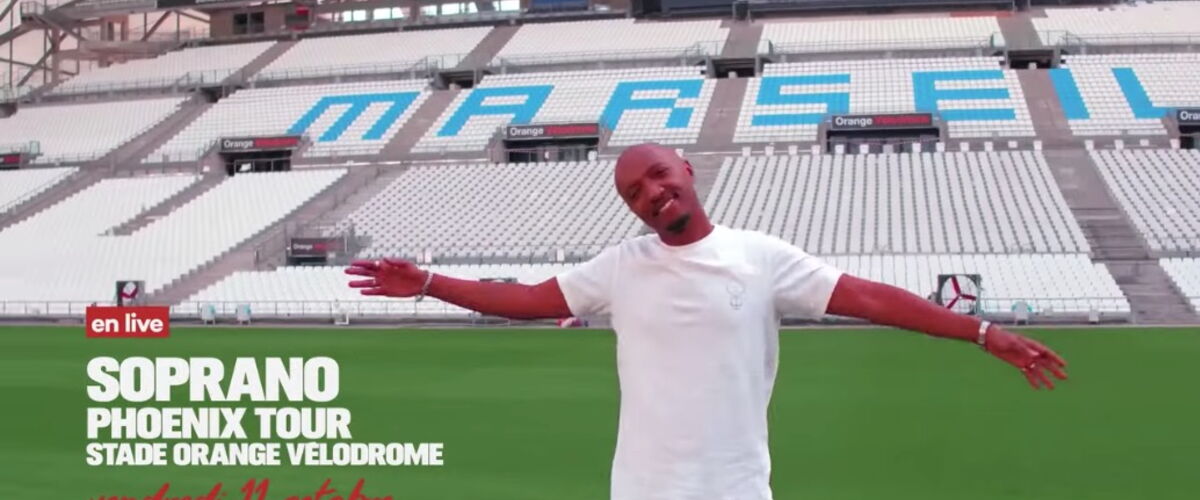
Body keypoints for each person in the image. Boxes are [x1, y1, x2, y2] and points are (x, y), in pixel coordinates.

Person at [345, 143, 1068, 500]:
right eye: (634, 192)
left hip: (735, 488)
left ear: (686, 171)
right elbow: (528, 300)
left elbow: (871, 298)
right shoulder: (620, 268)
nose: (651, 194)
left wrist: (981, 332)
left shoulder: (759, 257)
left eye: (658, 176)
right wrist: (431, 283)